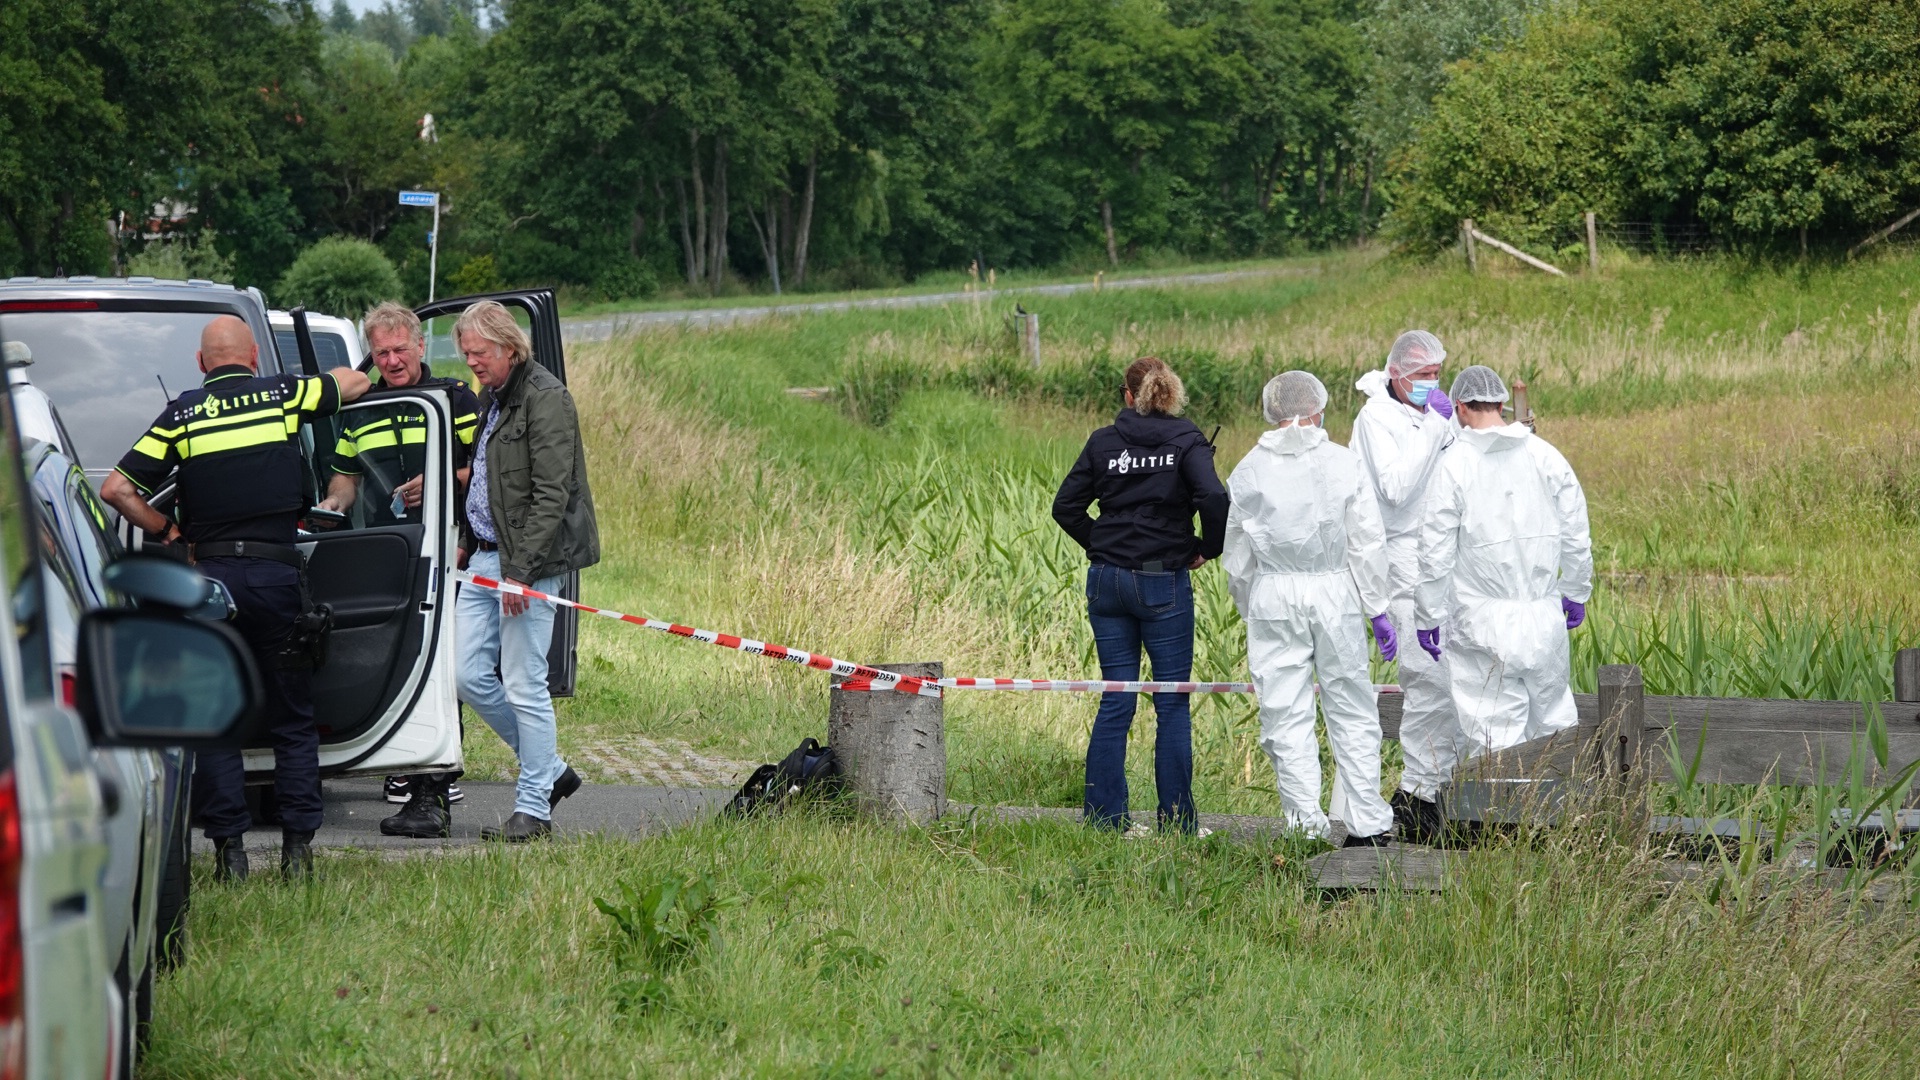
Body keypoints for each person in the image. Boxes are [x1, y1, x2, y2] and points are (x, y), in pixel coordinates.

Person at [101, 315, 371, 881]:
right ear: (253, 359)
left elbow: (117, 490)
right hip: (275, 577)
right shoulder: (280, 394)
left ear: (202, 365)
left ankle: (231, 855)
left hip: (210, 583)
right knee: (292, 718)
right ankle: (298, 853)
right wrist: (297, 386)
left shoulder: (182, 414)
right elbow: (356, 383)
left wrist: (170, 532)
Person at [316, 302, 482, 837]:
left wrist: (439, 481)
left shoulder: (455, 398)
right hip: (387, 553)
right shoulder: (358, 409)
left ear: (418, 346)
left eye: (399, 350)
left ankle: (438, 768)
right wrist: (328, 512)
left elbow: (483, 469)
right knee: (398, 650)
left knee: (444, 658)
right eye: (381, 352)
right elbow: (345, 482)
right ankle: (402, 760)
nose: (391, 361)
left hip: (451, 548)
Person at [1052, 357, 1228, 835]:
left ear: (1128, 396)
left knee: (1116, 699)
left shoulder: (1103, 441)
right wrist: (1204, 549)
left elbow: (1065, 507)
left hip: (1106, 580)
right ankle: (1177, 825)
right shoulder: (1187, 439)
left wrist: (1101, 543)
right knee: (1170, 701)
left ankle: (1106, 822)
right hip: (1161, 580)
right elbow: (1214, 498)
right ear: (1169, 394)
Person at [1223, 371, 1396, 845]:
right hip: (1335, 592)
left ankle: (1304, 828)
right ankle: (1368, 822)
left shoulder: (1248, 469)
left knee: (1285, 713)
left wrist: (1250, 603)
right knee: (1352, 707)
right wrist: (1377, 607)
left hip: (1274, 595)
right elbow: (1366, 541)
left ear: (1272, 412)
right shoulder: (1343, 463)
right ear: (1318, 410)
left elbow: (1236, 555)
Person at [455, 301, 599, 842]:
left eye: (480, 353)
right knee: (464, 673)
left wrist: (520, 571)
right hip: (485, 557)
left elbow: (551, 493)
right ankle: (552, 769)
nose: (473, 364)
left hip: (526, 565)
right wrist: (470, 543)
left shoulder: (547, 397)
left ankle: (533, 808)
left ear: (509, 347)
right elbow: (489, 484)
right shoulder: (492, 397)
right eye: (467, 354)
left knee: (523, 683)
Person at [1414, 366, 1593, 761]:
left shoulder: (1454, 465)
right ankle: (1556, 819)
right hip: (1543, 616)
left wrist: (1427, 616)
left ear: (1459, 408)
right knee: (1554, 726)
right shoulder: (1545, 455)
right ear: (1501, 403)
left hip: (1481, 623)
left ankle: (1502, 822)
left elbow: (1435, 552)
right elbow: (1576, 531)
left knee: (1493, 735)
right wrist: (1577, 590)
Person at [1350, 329, 1457, 843]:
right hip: (1403, 557)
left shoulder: (1435, 412)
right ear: (1396, 373)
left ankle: (1440, 787)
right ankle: (1417, 796)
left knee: (1451, 677)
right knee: (1424, 676)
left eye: (1437, 374)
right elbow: (1395, 489)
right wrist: (1436, 424)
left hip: (1444, 554)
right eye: (1422, 376)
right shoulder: (1376, 418)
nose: (1431, 384)